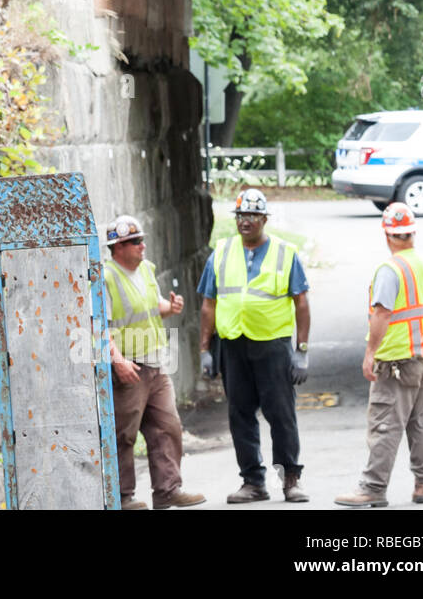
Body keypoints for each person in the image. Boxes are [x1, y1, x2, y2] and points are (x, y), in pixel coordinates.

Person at [197, 188, 312, 503]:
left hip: (272, 345)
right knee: (240, 414)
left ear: (264, 219)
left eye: (251, 216)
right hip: (233, 344)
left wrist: (301, 350)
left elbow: (301, 302)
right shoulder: (221, 252)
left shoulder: (285, 253)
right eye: (240, 216)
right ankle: (253, 482)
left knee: (281, 413)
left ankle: (291, 478)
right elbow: (209, 304)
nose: (244, 222)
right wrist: (205, 350)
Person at [335, 203, 423, 508]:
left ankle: (372, 488)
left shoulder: (390, 269)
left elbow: (382, 314)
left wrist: (370, 353)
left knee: (385, 422)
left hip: (397, 360)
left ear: (387, 234)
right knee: (420, 422)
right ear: (412, 232)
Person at [104, 214, 205, 511]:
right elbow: (100, 325)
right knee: (124, 434)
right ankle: (123, 496)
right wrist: (118, 361)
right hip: (130, 367)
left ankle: (168, 490)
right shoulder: (106, 277)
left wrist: (170, 307)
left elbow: (151, 306)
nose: (142, 246)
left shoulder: (146, 270)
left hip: (156, 363)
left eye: (142, 240)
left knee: (167, 426)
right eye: (135, 242)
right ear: (118, 247)